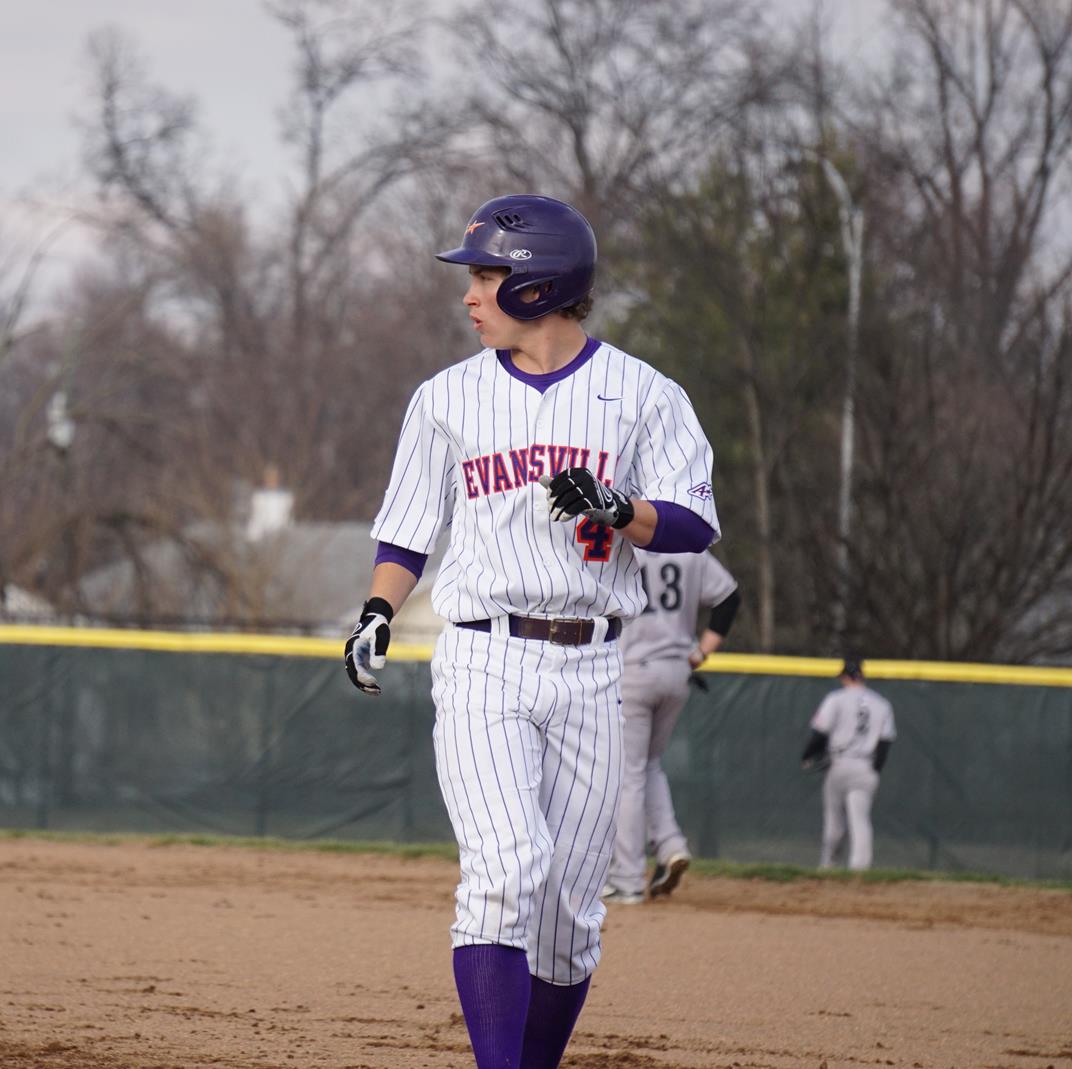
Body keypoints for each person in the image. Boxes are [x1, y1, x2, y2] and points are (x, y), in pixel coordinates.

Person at [343, 195, 720, 1069]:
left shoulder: (643, 395)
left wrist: (622, 509)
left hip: (595, 665)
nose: (470, 295)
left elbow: (695, 520)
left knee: (568, 921)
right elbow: (407, 530)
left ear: (540, 285)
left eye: (486, 276)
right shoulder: (446, 398)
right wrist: (377, 610)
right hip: (484, 655)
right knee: (506, 869)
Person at [602, 549, 741, 905]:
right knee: (649, 765)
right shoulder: (688, 543)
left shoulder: (626, 538)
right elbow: (729, 597)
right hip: (678, 668)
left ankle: (627, 878)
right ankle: (670, 845)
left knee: (629, 774)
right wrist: (701, 653)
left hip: (633, 669)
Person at [802, 657, 896, 871]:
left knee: (834, 821)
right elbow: (885, 743)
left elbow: (820, 733)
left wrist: (807, 755)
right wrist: (874, 769)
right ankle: (860, 869)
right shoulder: (882, 703)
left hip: (840, 763)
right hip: (866, 766)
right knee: (860, 819)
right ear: (862, 676)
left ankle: (829, 866)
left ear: (845, 677)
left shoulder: (836, 699)